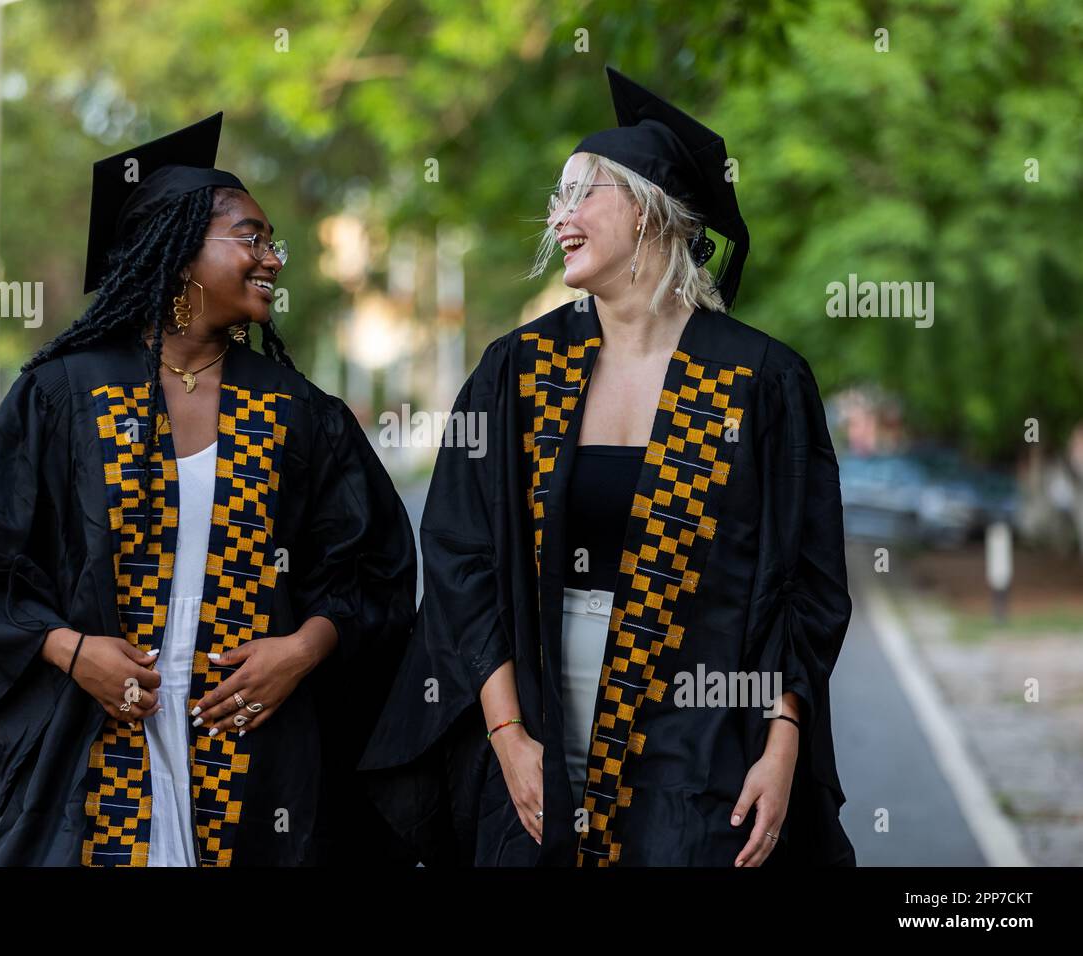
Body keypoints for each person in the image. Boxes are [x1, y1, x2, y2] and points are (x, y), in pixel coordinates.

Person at [360, 68, 855, 867]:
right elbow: (462, 558)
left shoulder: (759, 381)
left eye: (581, 194)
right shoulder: (519, 372)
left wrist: (783, 741)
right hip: (541, 717)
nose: (559, 217)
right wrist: (509, 737)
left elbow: (810, 579)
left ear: (650, 207)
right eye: (557, 199)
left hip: (704, 732)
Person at [0, 112, 417, 866]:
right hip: (92, 739)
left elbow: (375, 571)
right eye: (250, 237)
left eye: (271, 241)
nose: (273, 259)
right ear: (181, 250)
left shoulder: (296, 412)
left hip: (254, 743)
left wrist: (303, 649)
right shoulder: (62, 397)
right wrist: (72, 649)